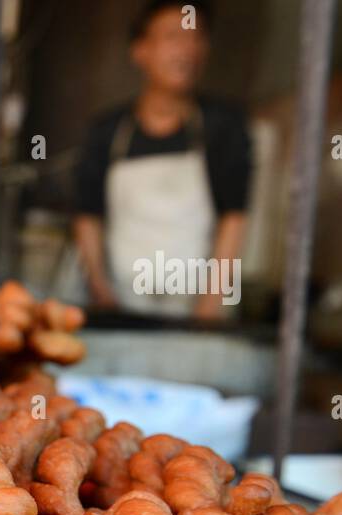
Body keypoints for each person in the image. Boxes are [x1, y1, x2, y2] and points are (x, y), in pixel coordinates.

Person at [73, 0, 251, 320]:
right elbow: (88, 216)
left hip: (196, 307)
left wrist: (210, 306)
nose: (187, 49)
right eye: (173, 37)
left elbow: (234, 218)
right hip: (120, 304)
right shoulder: (107, 132)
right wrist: (100, 292)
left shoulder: (224, 127)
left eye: (195, 38)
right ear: (140, 51)